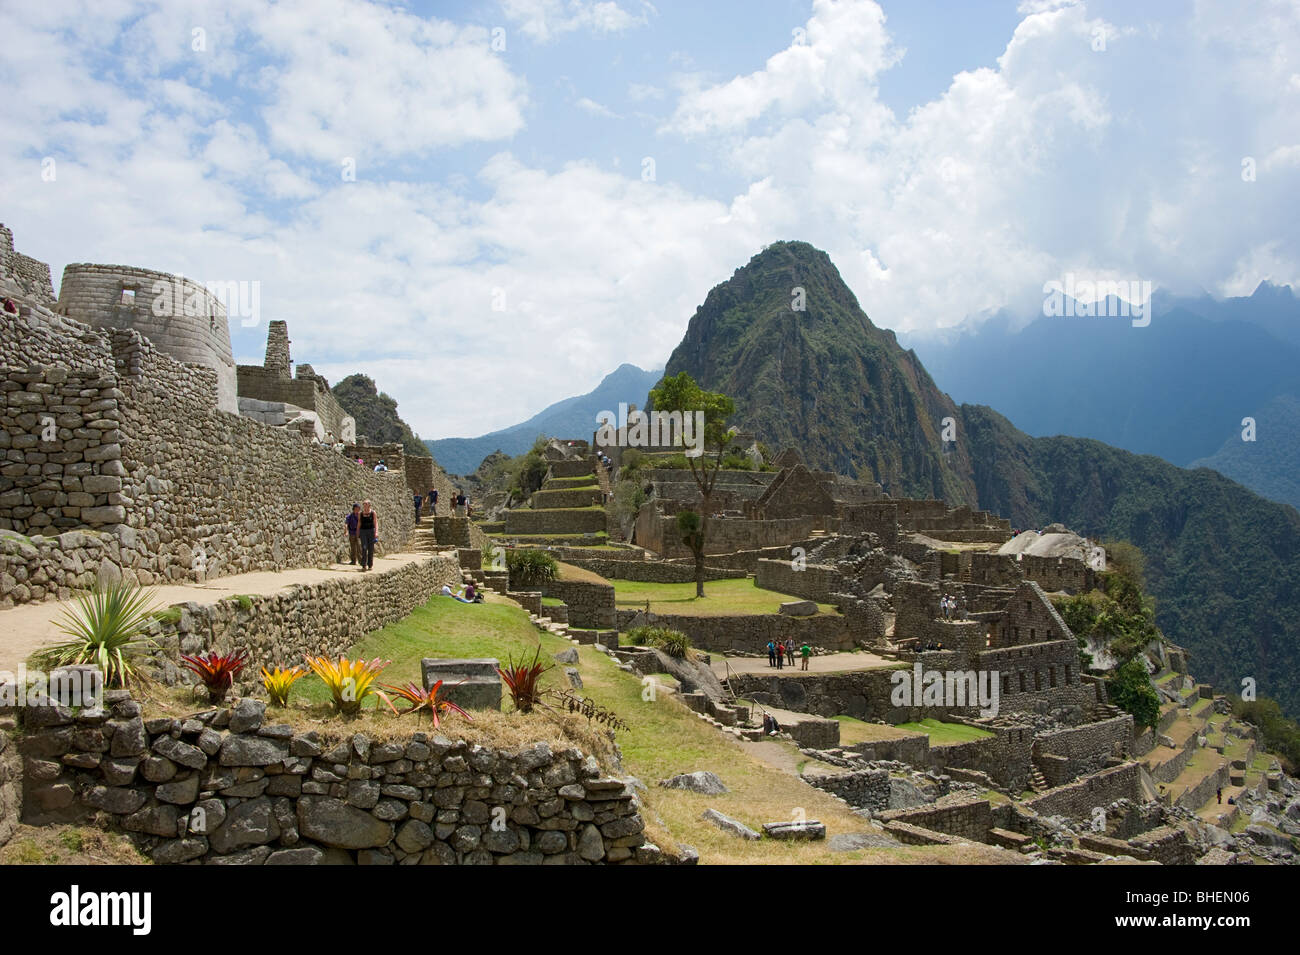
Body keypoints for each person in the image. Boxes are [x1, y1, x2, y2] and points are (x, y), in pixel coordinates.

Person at [357, 500, 379, 570]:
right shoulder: (360, 513)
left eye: (366, 504)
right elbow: (359, 523)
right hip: (363, 531)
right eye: (364, 504)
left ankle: (370, 564)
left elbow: (375, 523)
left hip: (371, 531)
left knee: (370, 548)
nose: (365, 505)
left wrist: (376, 532)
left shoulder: (373, 513)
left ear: (369, 505)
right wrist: (357, 532)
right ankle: (363, 565)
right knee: (364, 547)